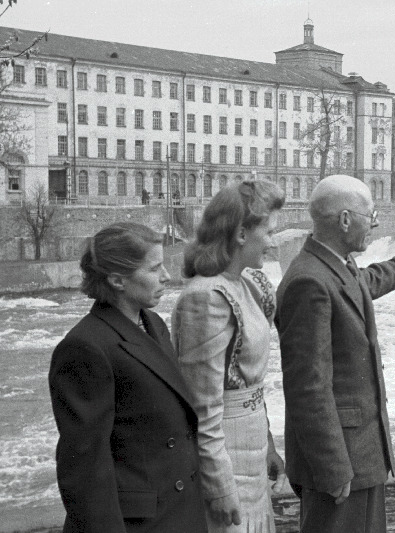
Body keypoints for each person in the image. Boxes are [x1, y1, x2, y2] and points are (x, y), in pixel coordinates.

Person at [276, 174, 395, 533]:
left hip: (361, 455)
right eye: (371, 214)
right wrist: (333, 468)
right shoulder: (309, 281)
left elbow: (368, 282)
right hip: (339, 465)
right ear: (346, 219)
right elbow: (308, 388)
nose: (376, 222)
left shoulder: (335, 267)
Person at [49, 222, 207, 532]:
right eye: (154, 268)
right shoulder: (86, 347)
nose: (166, 276)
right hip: (139, 522)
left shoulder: (152, 323)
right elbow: (85, 468)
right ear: (118, 280)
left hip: (179, 509)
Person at [172, 180, 286, 532]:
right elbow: (202, 409)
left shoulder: (250, 284)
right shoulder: (206, 297)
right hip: (227, 458)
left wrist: (267, 445)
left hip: (251, 453)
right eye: (268, 231)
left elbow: (251, 385)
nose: (273, 241)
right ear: (240, 233)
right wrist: (219, 489)